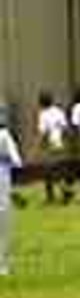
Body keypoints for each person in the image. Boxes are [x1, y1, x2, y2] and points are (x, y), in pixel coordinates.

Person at [0, 104, 23, 276]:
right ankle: (3, 265)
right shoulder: (4, 136)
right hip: (3, 182)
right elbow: (17, 161)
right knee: (4, 224)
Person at [37, 92, 71, 205]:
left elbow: (43, 133)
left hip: (51, 144)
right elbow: (66, 129)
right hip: (60, 143)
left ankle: (59, 193)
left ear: (42, 103)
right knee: (56, 170)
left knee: (49, 171)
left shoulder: (43, 114)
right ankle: (56, 194)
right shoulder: (59, 111)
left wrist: (38, 145)